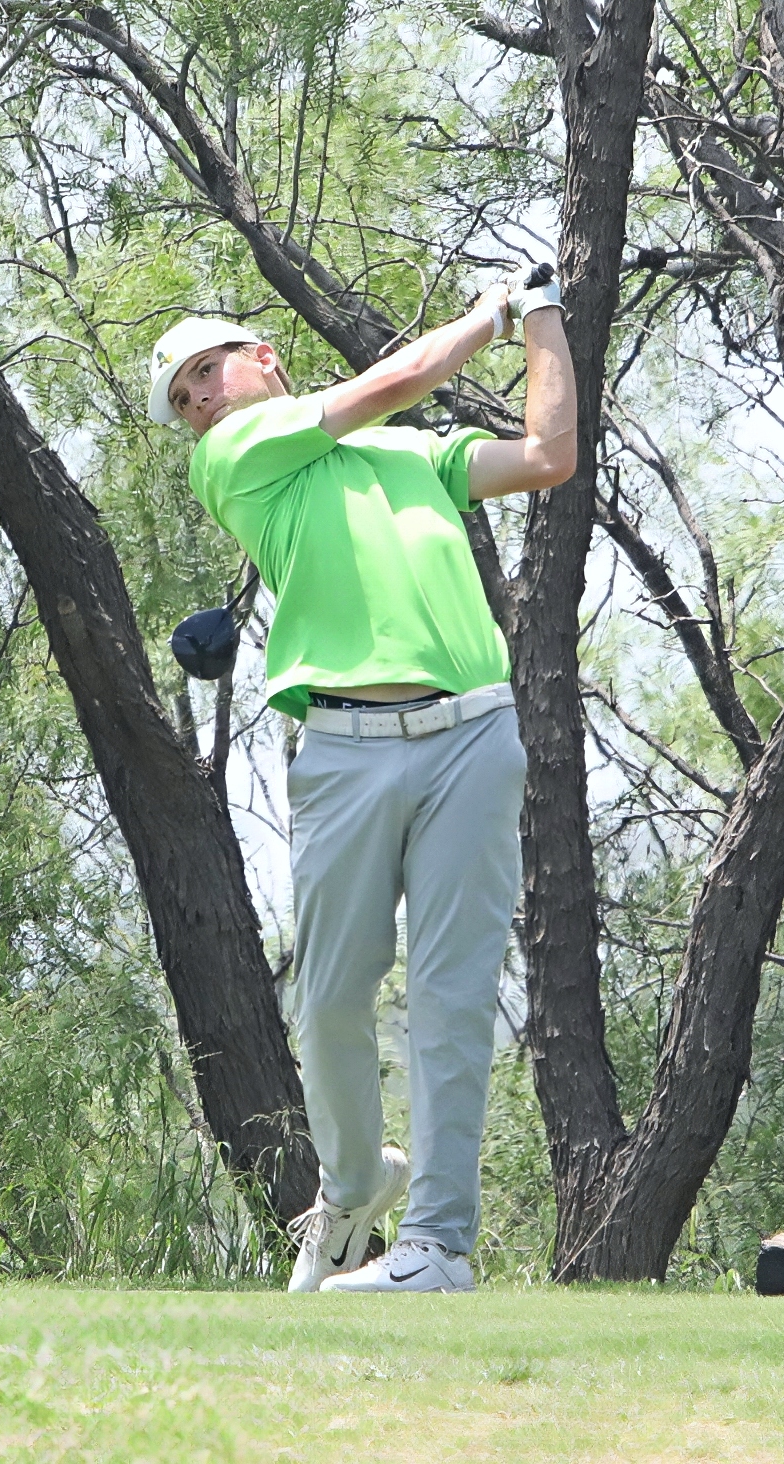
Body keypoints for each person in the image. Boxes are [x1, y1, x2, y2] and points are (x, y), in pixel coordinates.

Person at [146, 270, 577, 1292]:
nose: (198, 401)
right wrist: (493, 312)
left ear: (265, 358)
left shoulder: (413, 456)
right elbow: (402, 376)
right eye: (182, 398)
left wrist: (546, 311)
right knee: (331, 994)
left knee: (452, 994)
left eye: (207, 371)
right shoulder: (236, 455)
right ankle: (350, 1191)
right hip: (343, 746)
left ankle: (435, 1247)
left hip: (472, 733)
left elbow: (550, 456)